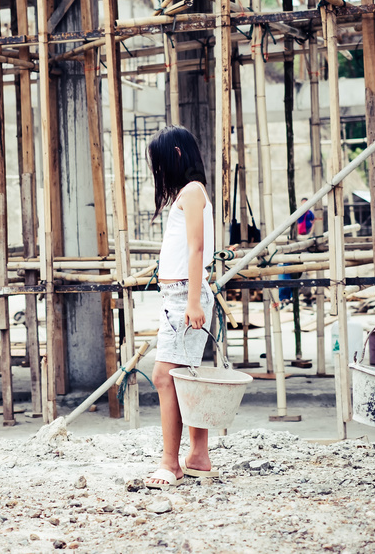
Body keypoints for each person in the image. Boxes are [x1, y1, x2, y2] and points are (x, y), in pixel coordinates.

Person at [144, 126, 217, 489]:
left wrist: (190, 301)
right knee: (185, 378)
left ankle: (170, 463)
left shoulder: (190, 191)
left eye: (159, 163)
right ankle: (198, 456)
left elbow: (196, 249)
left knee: (165, 377)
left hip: (184, 295)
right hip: (180, 295)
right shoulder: (192, 192)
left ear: (175, 154)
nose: (159, 172)